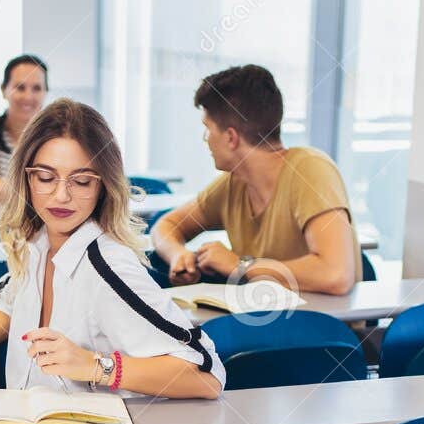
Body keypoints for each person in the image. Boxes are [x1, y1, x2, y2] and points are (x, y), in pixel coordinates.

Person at [0, 98, 223, 399]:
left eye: (81, 181)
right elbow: (8, 300)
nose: (61, 196)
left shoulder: (109, 266)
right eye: (45, 177)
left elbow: (206, 376)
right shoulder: (38, 240)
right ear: (26, 178)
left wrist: (96, 366)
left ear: (102, 186)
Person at [152, 63, 359, 296]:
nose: (205, 139)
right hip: (264, 321)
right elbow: (166, 226)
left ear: (231, 137)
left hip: (322, 329)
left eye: (208, 129)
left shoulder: (311, 169)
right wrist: (178, 254)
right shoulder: (234, 183)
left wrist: (241, 267)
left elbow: (336, 275)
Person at [0, 54, 48, 203]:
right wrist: (43, 190)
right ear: (4, 90)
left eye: (37, 88)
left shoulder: (57, 133)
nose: (28, 96)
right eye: (20, 87)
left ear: (45, 92)